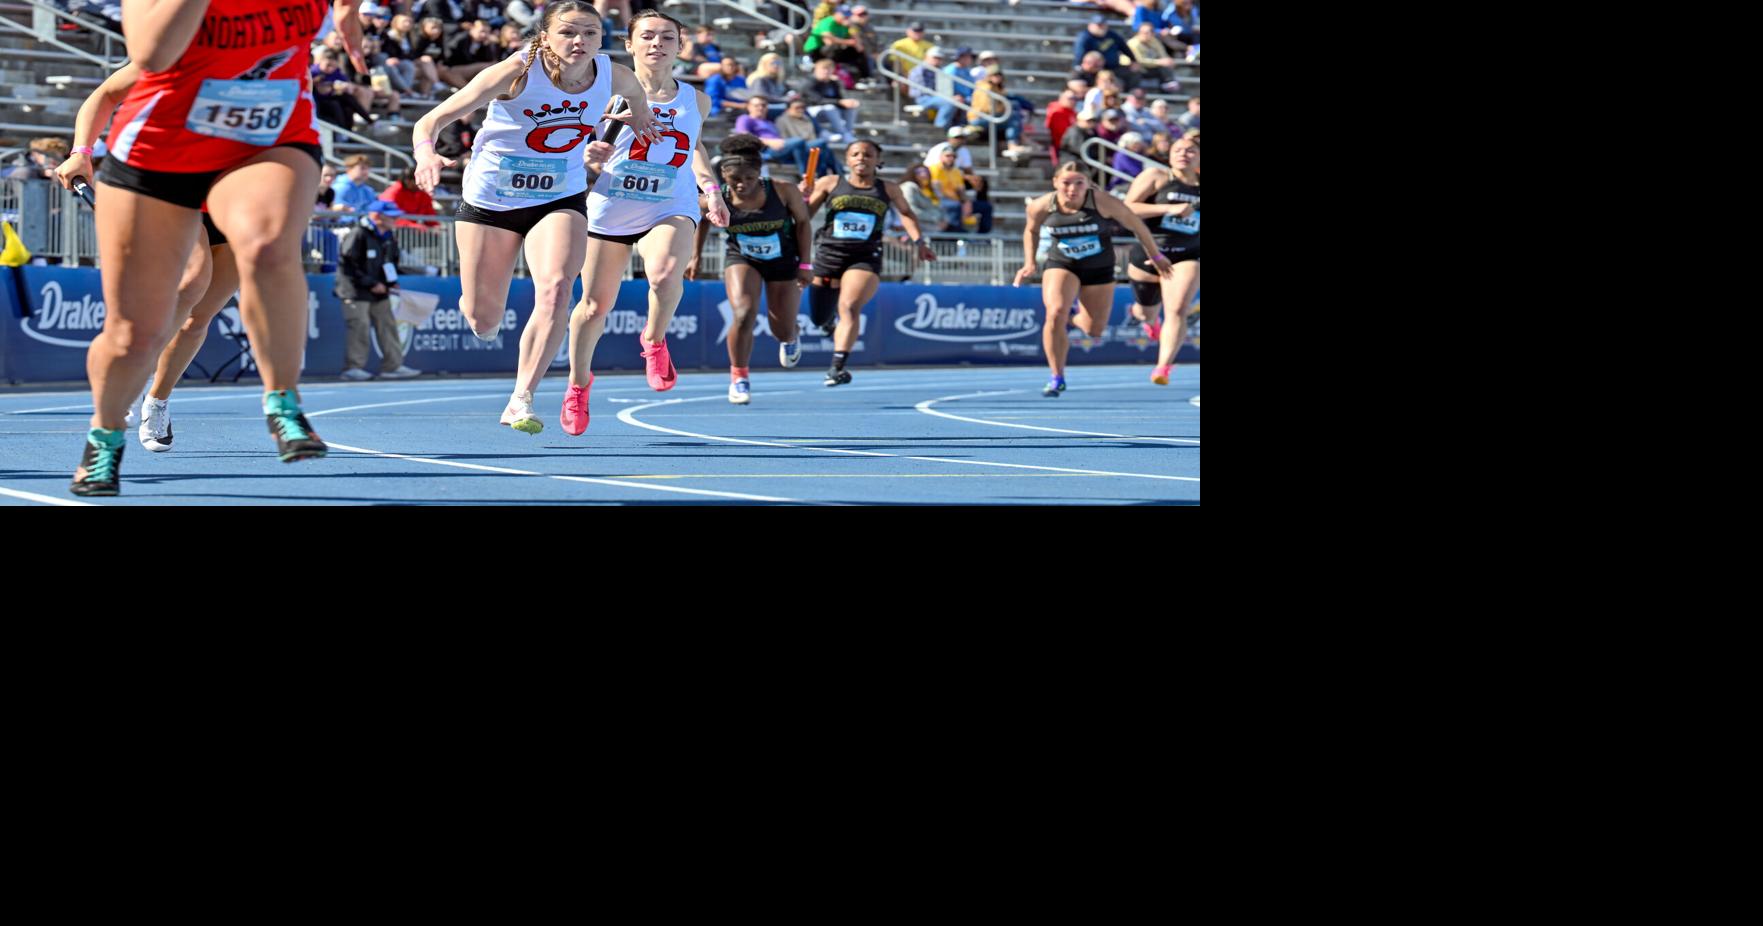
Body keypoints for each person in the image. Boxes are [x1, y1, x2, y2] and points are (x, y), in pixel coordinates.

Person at [68, 0, 367, 496]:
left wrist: (348, 18)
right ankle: (104, 434)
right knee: (134, 334)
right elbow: (151, 53)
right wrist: (82, 152)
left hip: (265, 143)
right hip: (161, 153)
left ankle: (281, 401)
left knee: (267, 248)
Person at [412, 0, 657, 433]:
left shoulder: (614, 75)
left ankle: (521, 397)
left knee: (559, 288)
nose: (579, 41)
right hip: (492, 200)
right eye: (568, 32)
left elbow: (637, 95)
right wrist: (426, 156)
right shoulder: (516, 73)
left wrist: (639, 120)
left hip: (559, 195)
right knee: (482, 317)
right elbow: (431, 121)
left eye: (589, 33)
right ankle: (482, 318)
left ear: (602, 39)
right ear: (545, 37)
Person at [560, 8, 731, 434]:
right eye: (648, 36)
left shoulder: (698, 99)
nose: (657, 44)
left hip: (668, 203)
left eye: (667, 37)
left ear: (680, 46)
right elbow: (569, 146)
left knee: (665, 272)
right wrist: (587, 157)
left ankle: (653, 340)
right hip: (609, 208)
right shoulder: (601, 93)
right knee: (595, 306)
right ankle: (578, 385)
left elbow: (694, 148)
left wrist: (711, 190)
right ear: (629, 44)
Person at [55, 60, 238, 455]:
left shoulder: (284, 60)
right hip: (175, 186)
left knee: (198, 317)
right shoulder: (180, 48)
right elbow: (104, 95)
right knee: (191, 280)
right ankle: (131, 378)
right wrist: (81, 153)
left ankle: (156, 401)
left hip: (238, 194)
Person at [1014, 162, 1171, 398]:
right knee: (1054, 312)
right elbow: (1031, 230)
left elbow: (1137, 225)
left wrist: (1156, 256)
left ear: (1088, 184)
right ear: (1055, 182)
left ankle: (1073, 317)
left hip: (1099, 269)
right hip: (1062, 264)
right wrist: (1029, 262)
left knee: (1094, 330)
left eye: (1079, 183)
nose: (1072, 188)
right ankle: (1057, 377)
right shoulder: (1042, 205)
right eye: (1066, 183)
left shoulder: (1102, 202)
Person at [686, 133, 813, 404]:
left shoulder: (783, 190)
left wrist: (805, 263)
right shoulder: (716, 197)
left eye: (749, 179)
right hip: (742, 258)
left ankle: (792, 334)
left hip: (783, 262)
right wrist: (694, 256)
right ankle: (739, 378)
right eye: (734, 180)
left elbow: (803, 223)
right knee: (743, 313)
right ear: (723, 175)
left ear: (759, 174)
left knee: (782, 330)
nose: (742, 185)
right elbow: (703, 220)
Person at [801, 139, 935, 386]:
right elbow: (803, 217)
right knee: (819, 318)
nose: (861, 158)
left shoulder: (888, 188)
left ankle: (837, 367)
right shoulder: (830, 183)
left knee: (850, 305)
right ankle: (828, 324)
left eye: (868, 154)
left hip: (865, 256)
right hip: (828, 254)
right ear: (848, 160)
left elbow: (907, 215)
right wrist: (803, 198)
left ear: (877, 160)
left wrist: (919, 243)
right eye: (855, 154)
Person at [1119, 133, 1199, 385]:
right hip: (1150, 252)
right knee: (1146, 312)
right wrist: (1167, 208)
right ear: (1169, 154)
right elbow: (1126, 208)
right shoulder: (1156, 177)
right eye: (1178, 149)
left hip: (1187, 254)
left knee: (1177, 309)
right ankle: (1146, 319)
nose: (1183, 154)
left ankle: (1163, 367)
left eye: (1189, 150)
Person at [336, 201, 421, 380]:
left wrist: (390, 283)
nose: (395, 219)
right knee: (360, 327)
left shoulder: (389, 236)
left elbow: (391, 263)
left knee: (388, 326)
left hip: (380, 292)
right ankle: (353, 368)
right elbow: (348, 264)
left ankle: (393, 366)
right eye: (391, 215)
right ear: (376, 216)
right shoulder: (358, 233)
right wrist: (370, 283)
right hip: (355, 292)